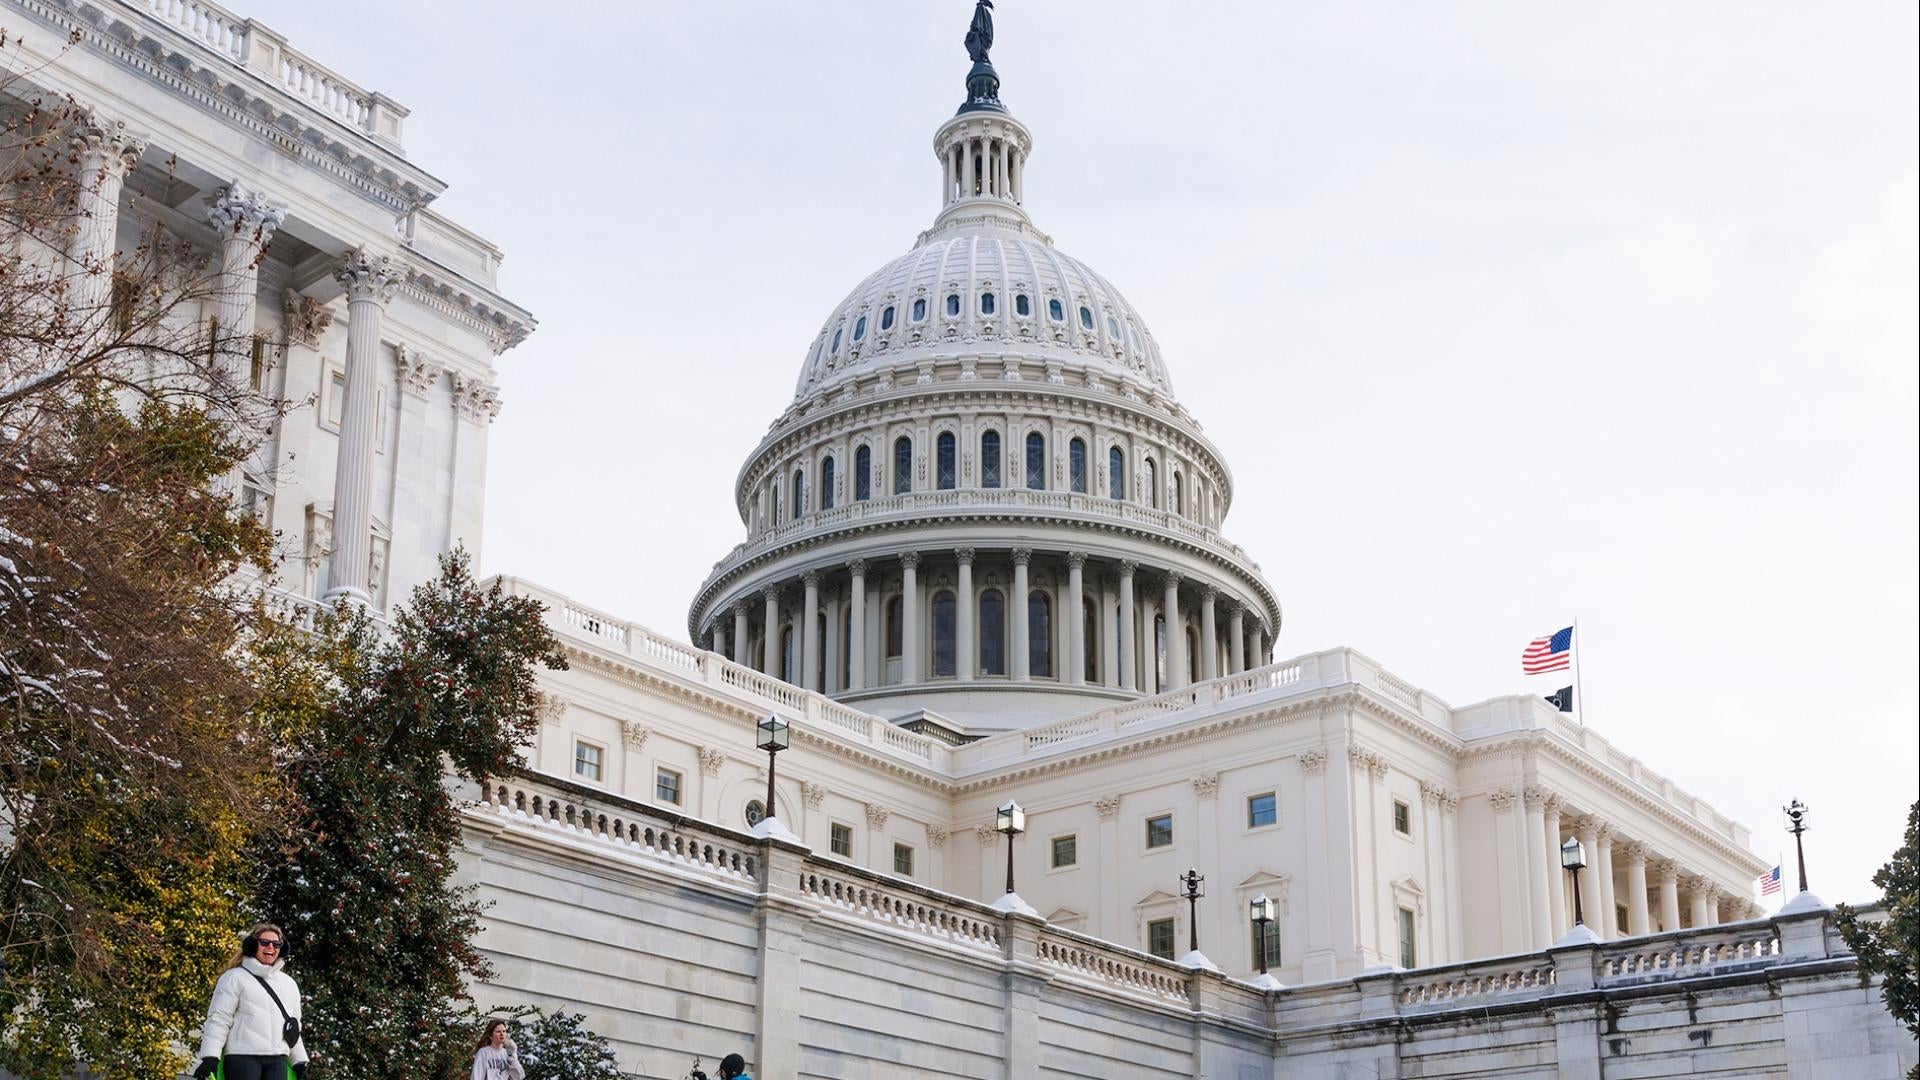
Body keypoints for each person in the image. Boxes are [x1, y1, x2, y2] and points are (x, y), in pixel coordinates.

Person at [193, 923, 308, 1080]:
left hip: (277, 1060)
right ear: (252, 945)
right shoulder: (234, 978)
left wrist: (299, 1060)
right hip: (242, 1058)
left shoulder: (289, 984)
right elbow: (219, 1019)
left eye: (276, 944)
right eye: (265, 943)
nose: (271, 947)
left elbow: (292, 1028)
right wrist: (210, 1056)